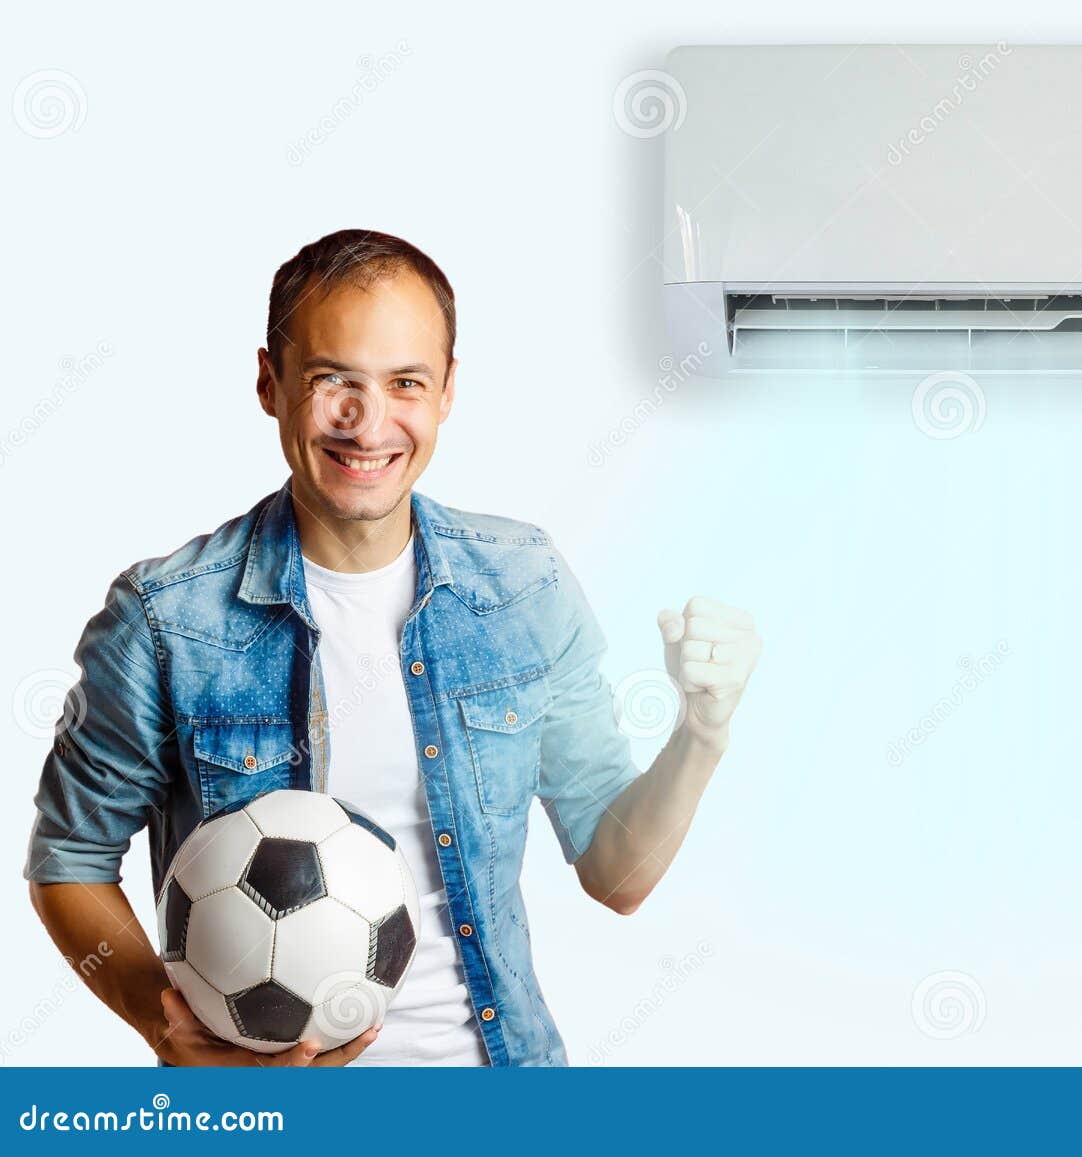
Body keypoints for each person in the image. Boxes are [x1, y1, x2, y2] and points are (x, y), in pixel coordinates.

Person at [23, 229, 760, 1066]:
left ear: (447, 390)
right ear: (270, 382)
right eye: (333, 380)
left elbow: (617, 874)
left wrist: (702, 735)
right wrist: (168, 1028)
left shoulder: (522, 585)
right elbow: (69, 858)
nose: (368, 424)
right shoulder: (166, 618)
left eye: (405, 382)